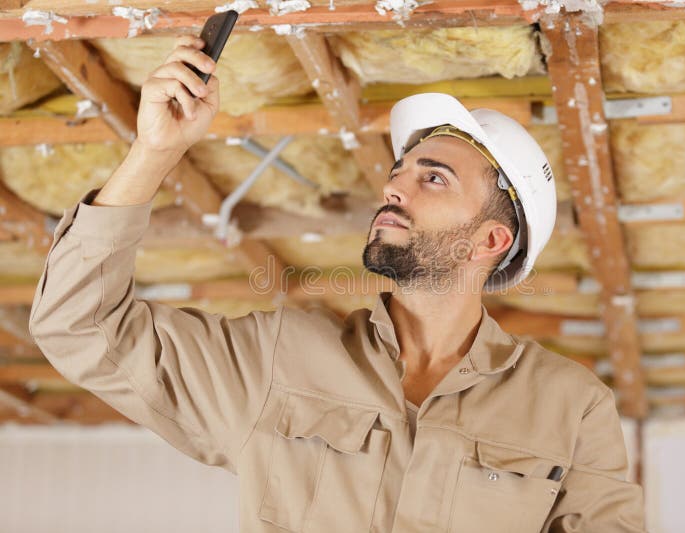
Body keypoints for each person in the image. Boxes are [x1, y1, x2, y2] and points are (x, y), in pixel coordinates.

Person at [29, 35, 645, 532]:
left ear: (489, 242)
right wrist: (154, 152)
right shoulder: (278, 360)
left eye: (432, 180)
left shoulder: (571, 407)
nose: (392, 188)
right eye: (398, 172)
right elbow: (78, 326)